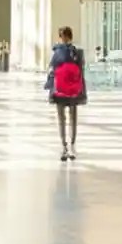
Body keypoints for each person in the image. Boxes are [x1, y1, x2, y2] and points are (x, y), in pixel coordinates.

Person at [45, 26, 87, 162]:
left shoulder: (56, 52)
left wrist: (50, 87)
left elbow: (51, 71)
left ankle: (64, 145)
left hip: (60, 91)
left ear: (60, 37)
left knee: (61, 118)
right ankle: (72, 145)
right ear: (71, 36)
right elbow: (81, 70)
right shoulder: (77, 52)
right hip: (74, 90)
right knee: (73, 117)